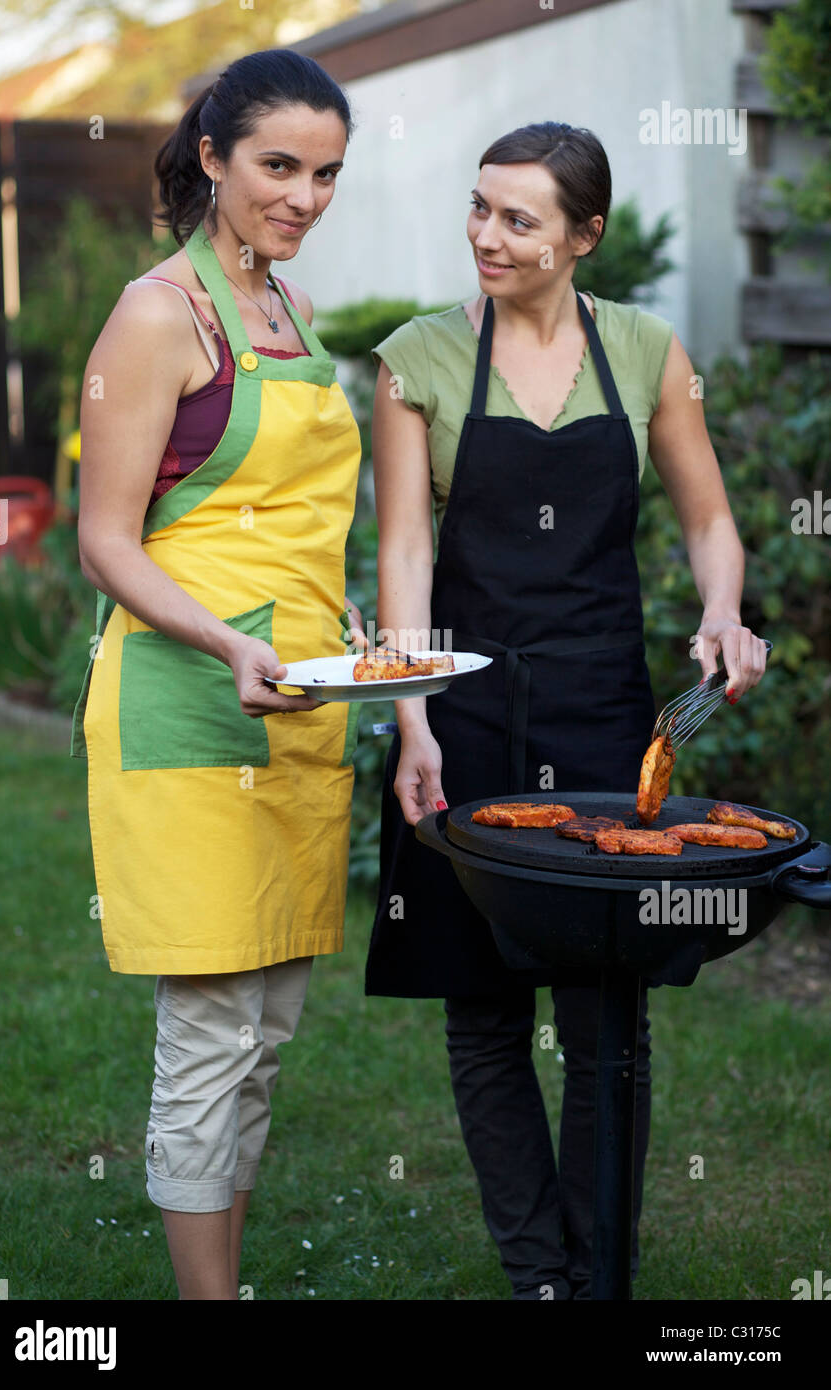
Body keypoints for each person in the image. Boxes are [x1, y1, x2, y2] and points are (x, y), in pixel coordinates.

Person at [364, 122, 768, 1300]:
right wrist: (415, 716)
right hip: (466, 710)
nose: (485, 235)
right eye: (477, 208)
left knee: (607, 1012)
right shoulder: (414, 359)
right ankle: (537, 1270)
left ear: (581, 236)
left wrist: (722, 611)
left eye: (518, 218)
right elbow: (400, 548)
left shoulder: (643, 350)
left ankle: (602, 1271)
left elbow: (705, 519)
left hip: (602, 717)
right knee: (482, 1008)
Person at [70, 50, 366, 1300]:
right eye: (278, 167)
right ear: (211, 158)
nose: (303, 197)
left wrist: (337, 613)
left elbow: (286, 512)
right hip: (191, 700)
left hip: (300, 702)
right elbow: (105, 538)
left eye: (327, 173)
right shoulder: (156, 313)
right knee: (207, 1037)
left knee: (264, 1042)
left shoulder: (287, 311)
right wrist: (236, 639)